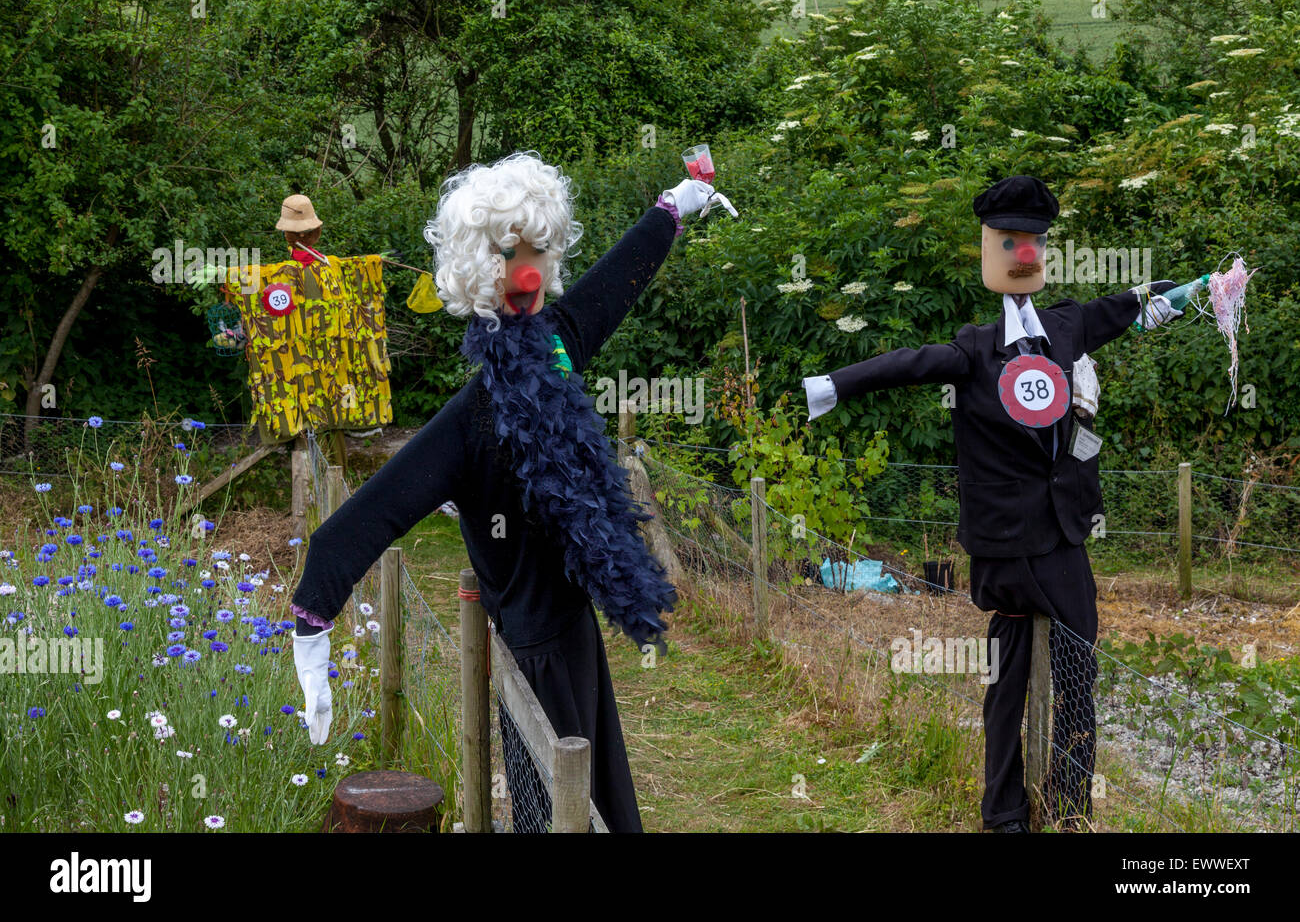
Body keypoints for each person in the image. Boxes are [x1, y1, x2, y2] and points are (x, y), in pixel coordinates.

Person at [288, 150, 735, 831]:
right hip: (532, 655)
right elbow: (366, 518)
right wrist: (312, 635)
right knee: (549, 812)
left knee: (596, 799)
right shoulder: (467, 423)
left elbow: (614, 285)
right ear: (474, 269)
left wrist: (676, 208)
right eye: (506, 254)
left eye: (536, 251)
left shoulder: (556, 348)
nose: (525, 270)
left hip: (574, 631)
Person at [801, 175, 1180, 832]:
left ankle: (1022, 812)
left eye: (1034, 242)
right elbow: (906, 364)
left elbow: (1127, 306)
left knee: (1031, 680)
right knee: (1069, 678)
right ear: (993, 249)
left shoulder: (1067, 327)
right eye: (1013, 241)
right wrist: (833, 385)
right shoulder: (974, 348)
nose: (1026, 254)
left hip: (1034, 543)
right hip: (1029, 552)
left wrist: (1201, 288)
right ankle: (1056, 812)